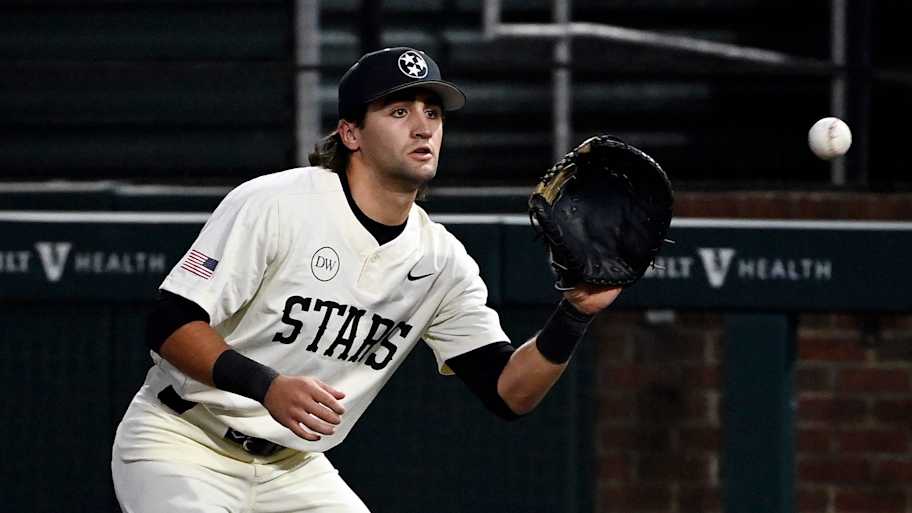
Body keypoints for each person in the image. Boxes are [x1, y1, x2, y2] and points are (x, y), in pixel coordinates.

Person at [111, 47, 621, 513]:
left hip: (292, 467)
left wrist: (574, 315)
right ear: (350, 133)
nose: (423, 128)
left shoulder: (442, 260)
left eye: (433, 112)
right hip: (181, 442)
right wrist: (265, 386)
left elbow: (508, 392)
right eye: (399, 112)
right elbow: (169, 321)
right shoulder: (280, 202)